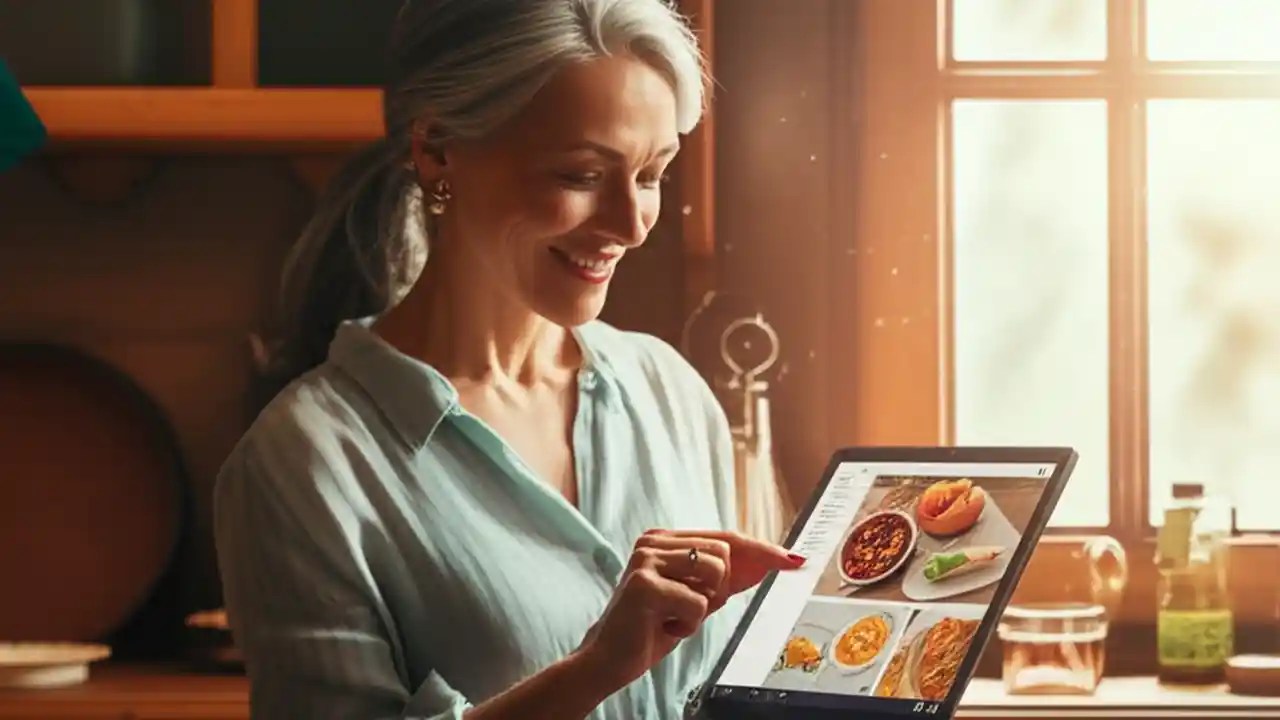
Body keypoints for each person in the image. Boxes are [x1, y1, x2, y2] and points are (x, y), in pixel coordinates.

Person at [212, 1, 806, 719]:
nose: (630, 224)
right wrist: (594, 670)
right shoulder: (304, 462)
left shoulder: (668, 391)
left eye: (651, 174)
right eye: (583, 175)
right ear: (436, 151)